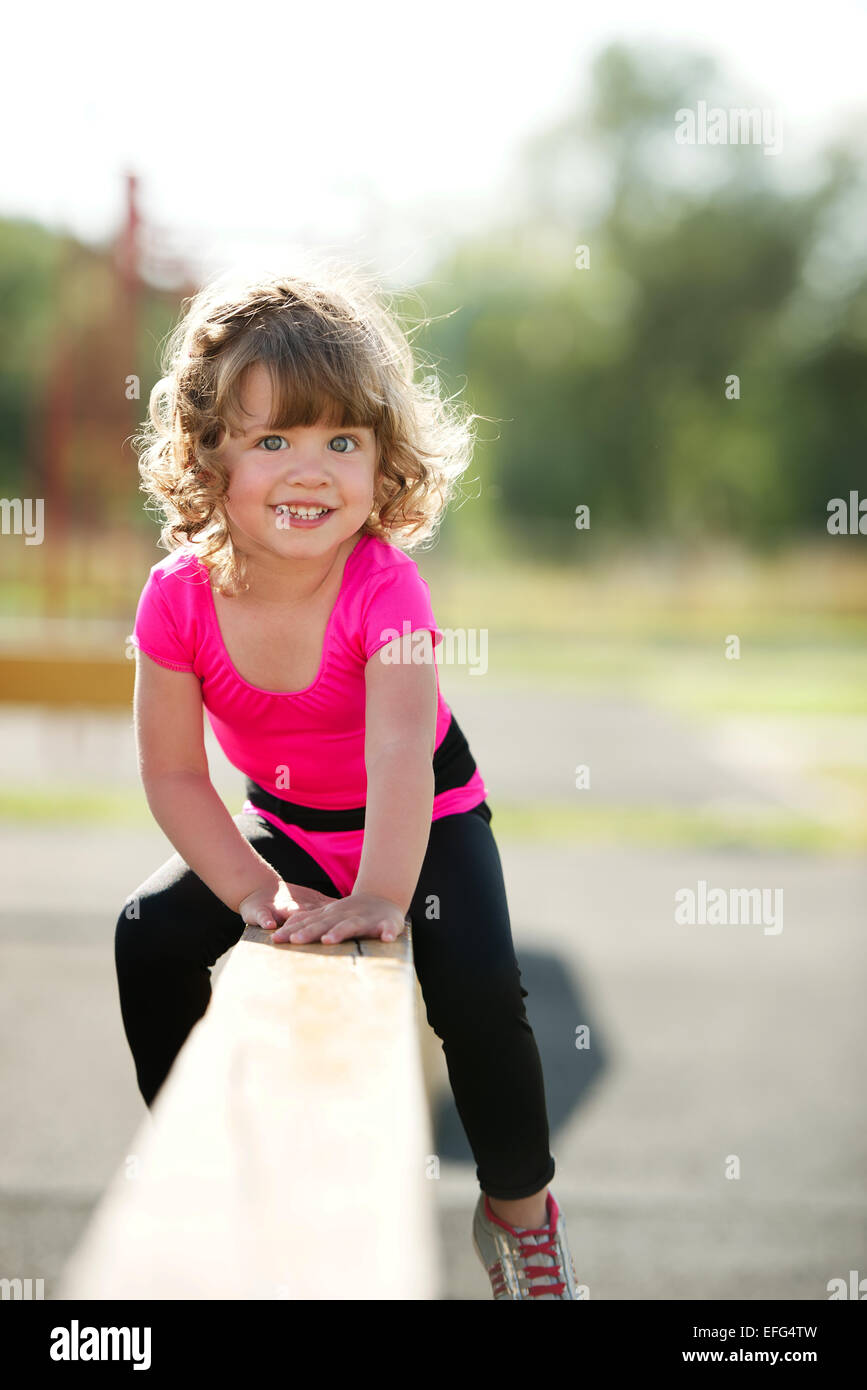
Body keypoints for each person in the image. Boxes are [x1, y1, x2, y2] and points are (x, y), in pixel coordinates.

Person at [115, 260, 579, 1299]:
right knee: (147, 935)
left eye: (342, 442)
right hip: (286, 821)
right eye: (272, 439)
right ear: (209, 456)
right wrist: (254, 891)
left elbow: (400, 755)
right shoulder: (177, 599)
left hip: (426, 815)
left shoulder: (387, 588)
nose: (310, 469)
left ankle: (520, 1221)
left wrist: (380, 895)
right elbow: (175, 772)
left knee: (479, 995)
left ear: (382, 463)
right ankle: (210, 1172)